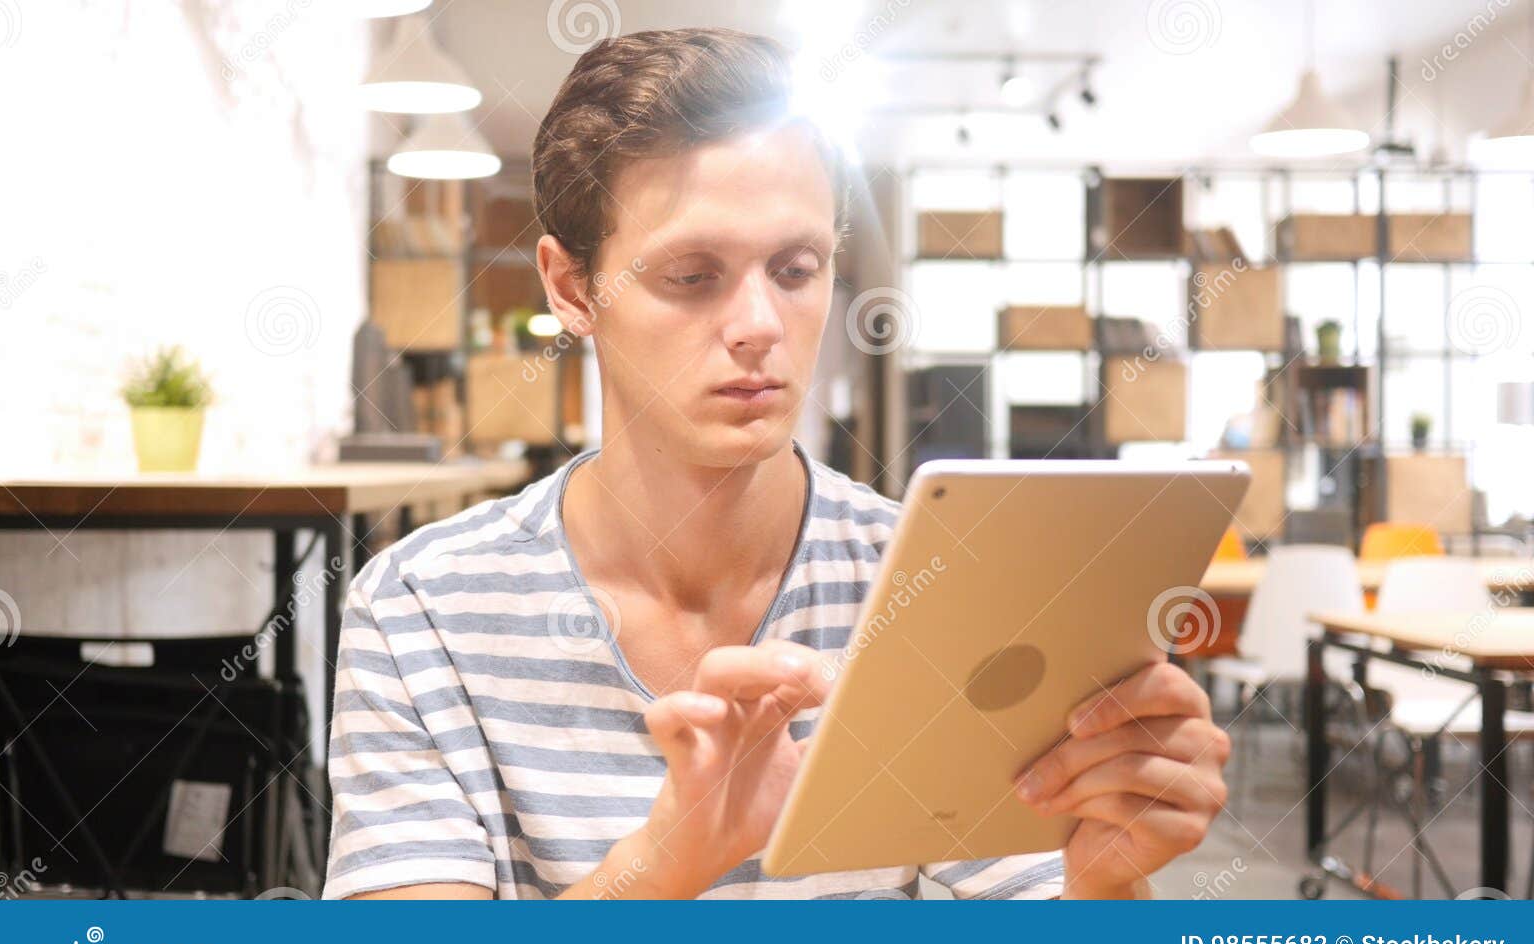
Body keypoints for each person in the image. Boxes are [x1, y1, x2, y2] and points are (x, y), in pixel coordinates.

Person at [323, 28, 1229, 900]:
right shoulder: (420, 609)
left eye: (796, 270)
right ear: (571, 288)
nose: (760, 325)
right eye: (692, 276)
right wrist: (663, 867)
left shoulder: (933, 583)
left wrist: (1106, 881)